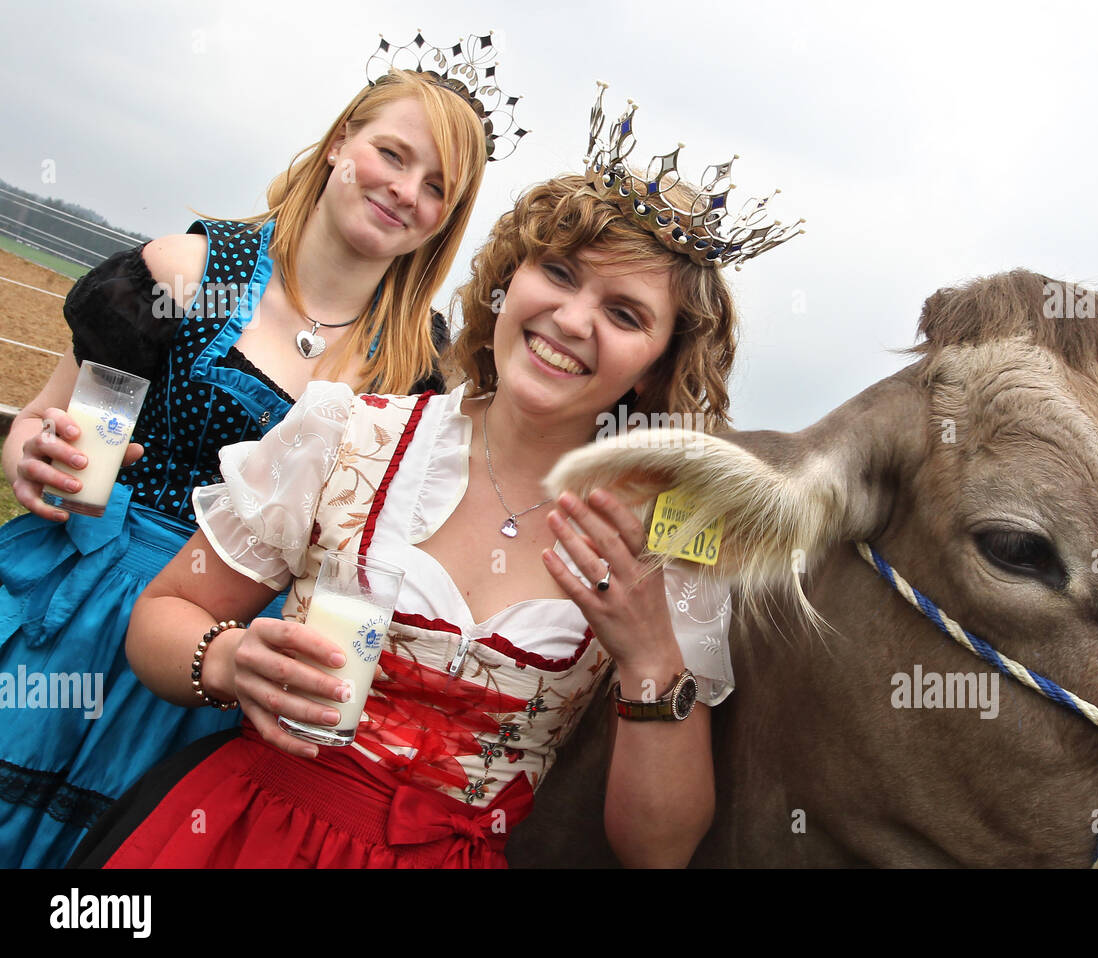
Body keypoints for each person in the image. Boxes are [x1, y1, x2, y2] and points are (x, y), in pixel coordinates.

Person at [71, 163, 751, 868]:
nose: (573, 320)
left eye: (625, 313)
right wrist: (225, 660)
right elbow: (165, 613)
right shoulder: (342, 431)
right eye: (560, 272)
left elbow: (658, 850)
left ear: (656, 364)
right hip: (242, 837)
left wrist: (650, 659)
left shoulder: (672, 540)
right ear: (510, 279)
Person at [0, 56, 495, 867]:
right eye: (394, 155)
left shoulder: (415, 375)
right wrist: (33, 458)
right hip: (79, 604)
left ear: (446, 219)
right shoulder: (188, 274)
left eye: (438, 186)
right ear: (341, 143)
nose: (407, 191)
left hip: (227, 662)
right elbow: (44, 423)